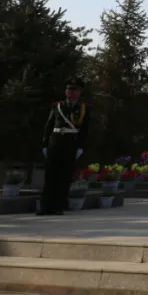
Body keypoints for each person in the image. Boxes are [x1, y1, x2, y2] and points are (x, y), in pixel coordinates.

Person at [39, 77, 89, 216]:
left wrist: (80, 146)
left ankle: (58, 206)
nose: (72, 92)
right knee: (50, 175)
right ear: (65, 91)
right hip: (55, 142)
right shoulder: (58, 106)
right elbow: (49, 126)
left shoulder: (83, 108)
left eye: (75, 90)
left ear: (80, 92)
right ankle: (45, 207)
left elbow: (84, 129)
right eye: (69, 89)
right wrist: (45, 144)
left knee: (64, 176)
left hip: (70, 143)